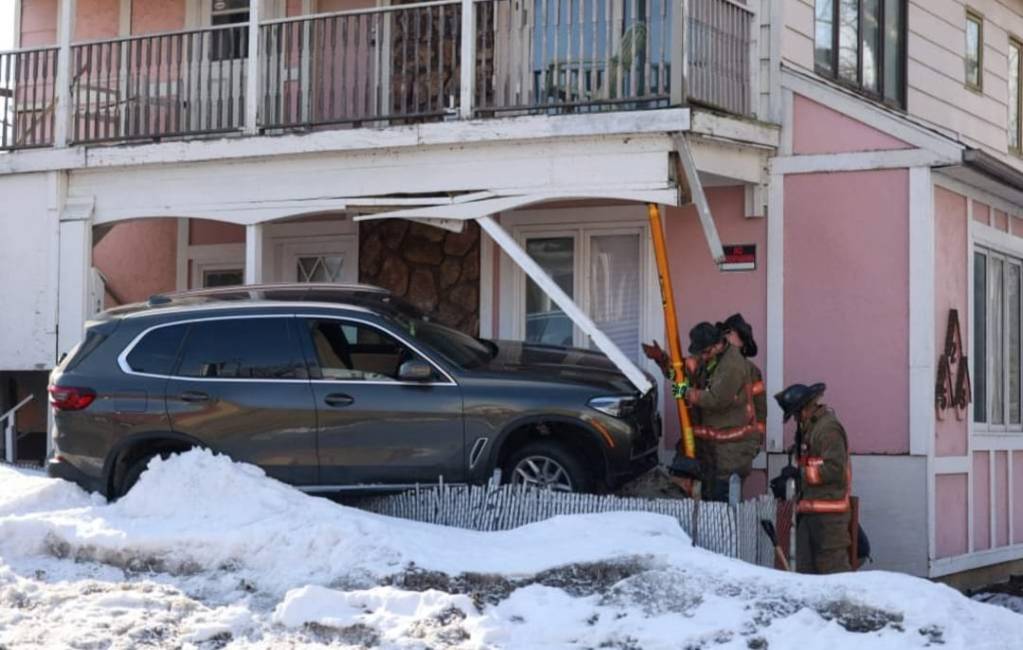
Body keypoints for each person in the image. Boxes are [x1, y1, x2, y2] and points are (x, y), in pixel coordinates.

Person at [773, 382, 852, 574]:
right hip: (810, 512)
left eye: (796, 415)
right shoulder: (810, 428)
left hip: (829, 517)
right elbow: (809, 461)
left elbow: (834, 469)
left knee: (833, 572)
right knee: (805, 571)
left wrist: (800, 475)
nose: (795, 420)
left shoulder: (827, 429)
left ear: (806, 408)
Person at [683, 322, 755, 502]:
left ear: (716, 345)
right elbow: (684, 377)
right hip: (716, 453)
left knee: (724, 509)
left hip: (730, 454)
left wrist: (687, 394)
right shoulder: (715, 359)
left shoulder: (732, 366)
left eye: (704, 352)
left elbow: (717, 399)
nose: (702, 357)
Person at [717, 314, 766, 474]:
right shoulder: (710, 365)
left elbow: (759, 410)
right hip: (709, 452)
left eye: (730, 333)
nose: (726, 337)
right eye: (725, 333)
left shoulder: (751, 372)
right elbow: (682, 383)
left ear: (742, 342)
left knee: (728, 494)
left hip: (736, 451)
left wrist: (754, 444)